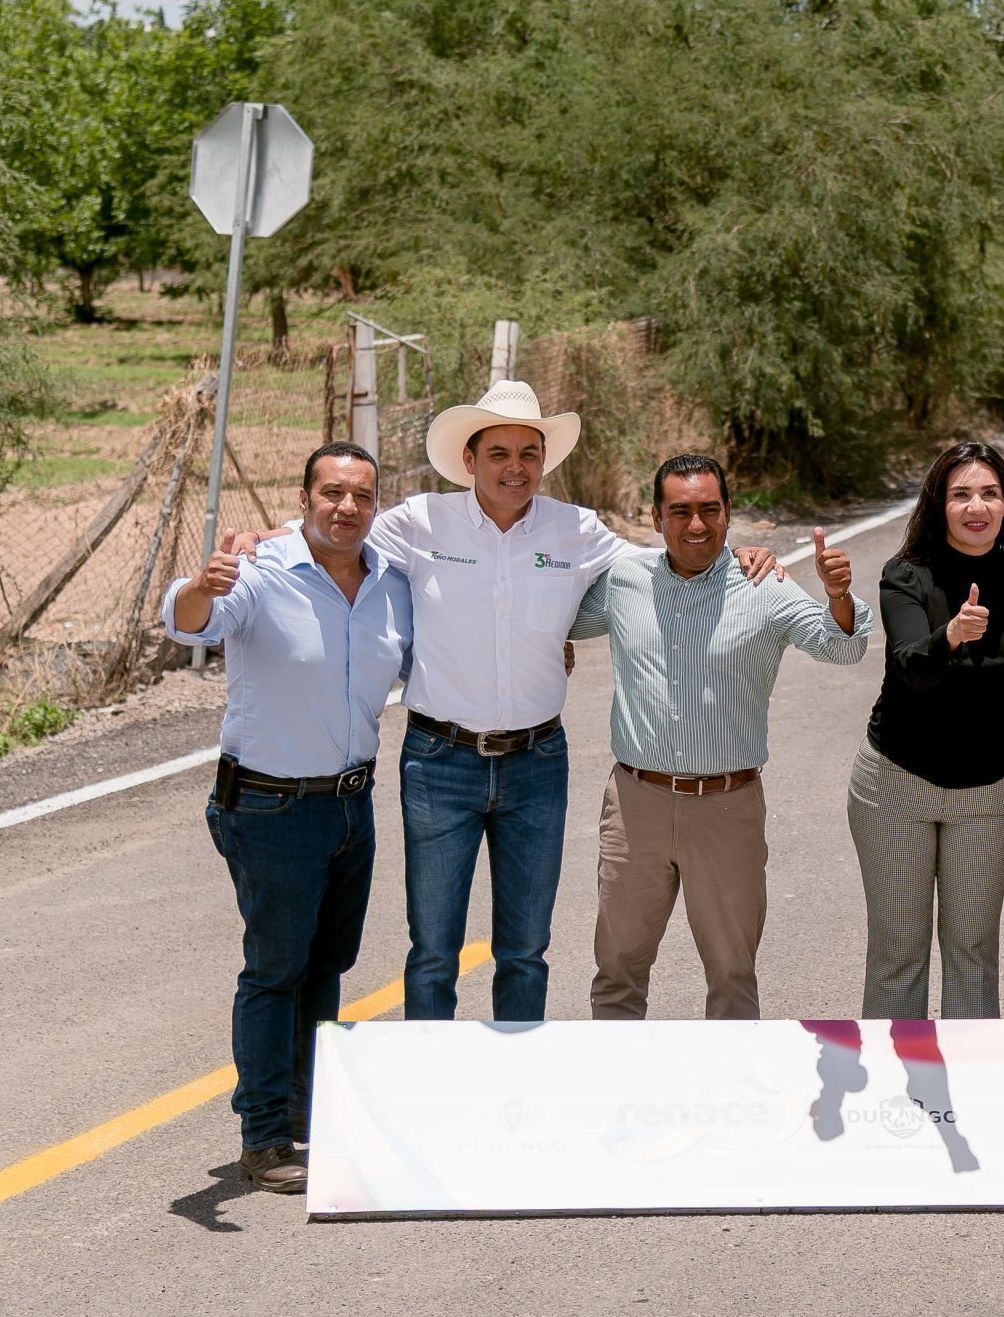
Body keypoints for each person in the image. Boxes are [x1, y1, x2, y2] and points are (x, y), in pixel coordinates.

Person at [215, 380, 778, 1024]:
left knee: (525, 950)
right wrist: (267, 536)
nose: (516, 467)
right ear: (469, 462)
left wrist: (741, 557)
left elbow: (670, 562)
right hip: (438, 762)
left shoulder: (576, 531)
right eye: (500, 453)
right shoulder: (419, 522)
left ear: (544, 461)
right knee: (433, 951)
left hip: (537, 763)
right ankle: (433, 1099)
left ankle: (519, 1100)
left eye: (528, 454)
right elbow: (336, 528)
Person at [164, 442, 413, 1194]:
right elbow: (190, 622)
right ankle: (265, 1132)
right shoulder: (261, 573)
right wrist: (201, 586)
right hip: (270, 804)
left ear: (376, 505)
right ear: (303, 500)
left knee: (326, 964)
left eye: (362, 496)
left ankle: (310, 1112)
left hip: (350, 805)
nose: (347, 507)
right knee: (274, 969)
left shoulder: (389, 585)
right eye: (332, 493)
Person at [570, 452, 869, 1020]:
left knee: (732, 976)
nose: (696, 525)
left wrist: (838, 595)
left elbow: (844, 645)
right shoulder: (624, 580)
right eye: (679, 511)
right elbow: (543, 618)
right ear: (656, 518)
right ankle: (611, 1095)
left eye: (710, 509)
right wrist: (551, 641)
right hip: (636, 804)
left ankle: (736, 1102)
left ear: (730, 513)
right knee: (616, 971)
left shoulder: (766, 585)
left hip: (727, 807)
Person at [847, 442, 1004, 1019]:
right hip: (896, 784)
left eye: (989, 493)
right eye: (960, 494)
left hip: (990, 790)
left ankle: (967, 1086)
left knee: (972, 948)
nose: (976, 506)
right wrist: (953, 634)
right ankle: (895, 1090)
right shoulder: (905, 575)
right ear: (939, 506)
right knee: (898, 948)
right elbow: (911, 666)